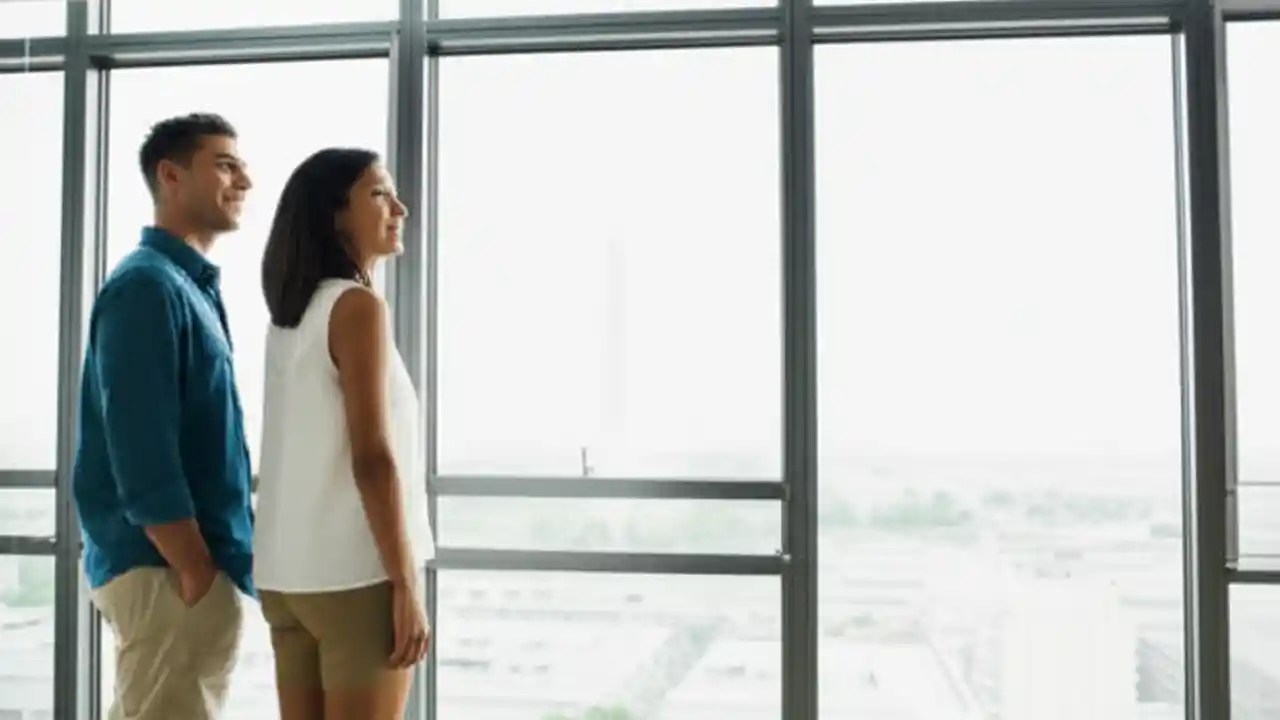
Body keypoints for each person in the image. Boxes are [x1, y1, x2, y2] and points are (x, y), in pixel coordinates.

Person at [72, 113, 255, 720]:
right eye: (225, 164)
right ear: (170, 176)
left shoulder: (188, 287)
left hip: (183, 572)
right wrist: (193, 568)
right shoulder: (146, 288)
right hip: (168, 573)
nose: (245, 180)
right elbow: (140, 445)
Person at [257, 147, 434, 720]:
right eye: (380, 193)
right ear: (336, 216)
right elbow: (373, 458)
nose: (400, 207)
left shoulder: (292, 316)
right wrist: (405, 585)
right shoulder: (358, 307)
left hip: (290, 580)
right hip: (356, 577)